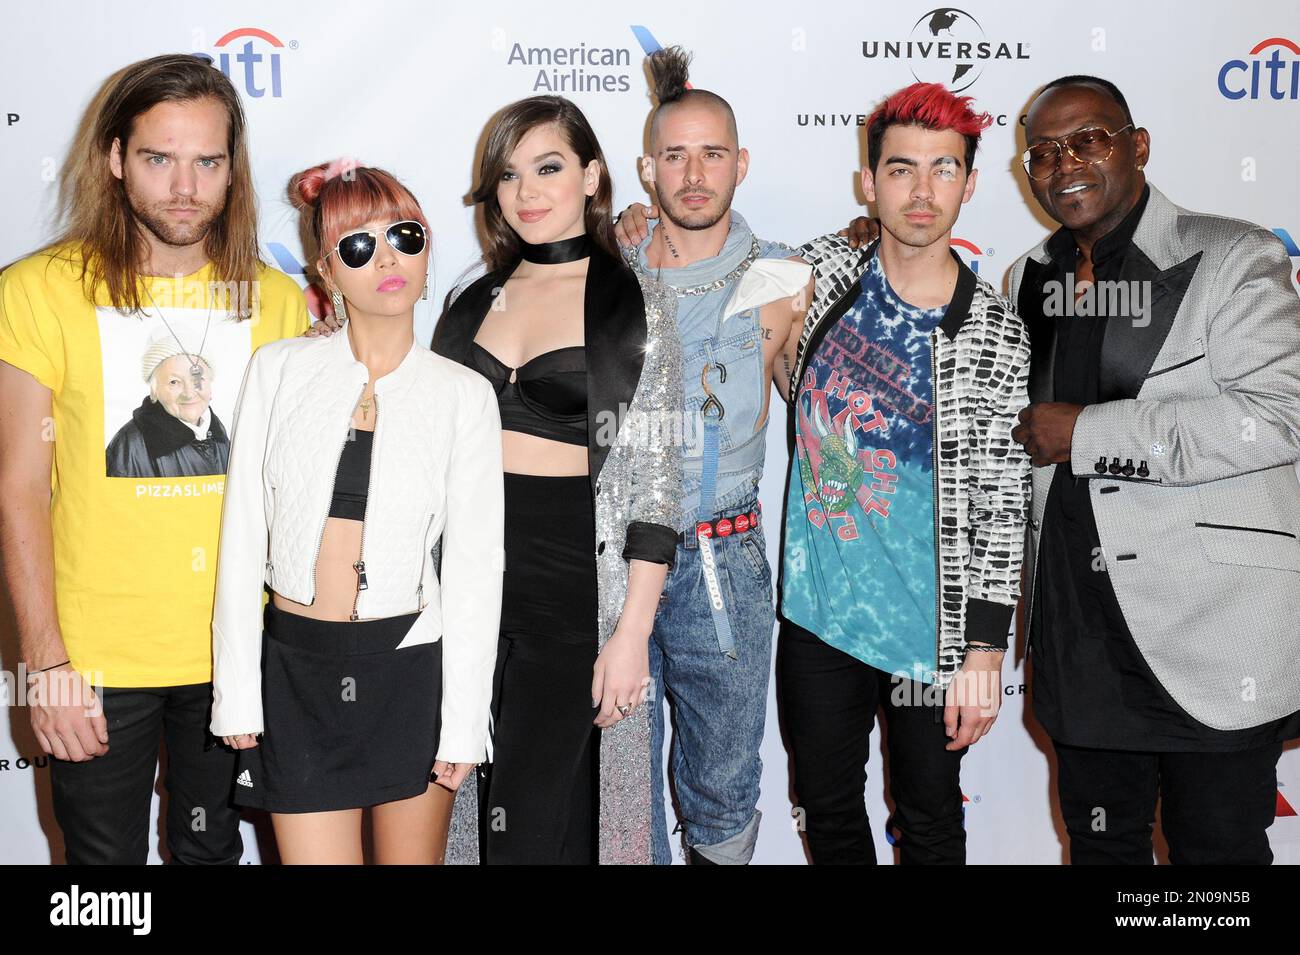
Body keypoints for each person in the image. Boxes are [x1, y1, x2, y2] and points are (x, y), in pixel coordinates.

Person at [0, 54, 308, 864]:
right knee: (102, 879)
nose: (184, 185)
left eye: (207, 161)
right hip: (91, 659)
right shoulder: (38, 290)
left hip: (237, 653)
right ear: (114, 158)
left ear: (232, 170)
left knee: (211, 856)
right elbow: (19, 485)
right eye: (158, 158)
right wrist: (45, 664)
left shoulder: (274, 300)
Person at [1008, 75, 1300, 864]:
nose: (1064, 162)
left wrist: (1090, 433)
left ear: (1137, 147)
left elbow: (1277, 416)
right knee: (1102, 849)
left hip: (1209, 626)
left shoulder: (1234, 254)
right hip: (1079, 630)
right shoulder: (1027, 277)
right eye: (1043, 151)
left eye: (1089, 139)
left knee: (1218, 857)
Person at [210, 161, 502, 865]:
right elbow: (243, 536)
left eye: (404, 235)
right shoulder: (278, 369)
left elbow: (474, 572)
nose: (388, 258)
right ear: (327, 271)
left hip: (409, 671)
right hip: (297, 671)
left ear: (429, 249)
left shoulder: (463, 395)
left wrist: (463, 723)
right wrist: (238, 693)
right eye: (358, 245)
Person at [780, 82, 1030, 864]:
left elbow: (1002, 498)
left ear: (969, 183)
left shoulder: (993, 332)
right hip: (820, 615)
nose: (922, 192)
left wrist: (985, 652)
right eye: (900, 169)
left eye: (943, 169)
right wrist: (635, 221)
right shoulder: (820, 271)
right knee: (826, 808)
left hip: (934, 631)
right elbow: (710, 261)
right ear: (869, 183)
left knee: (928, 819)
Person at [431, 95, 682, 864]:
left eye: (549, 167)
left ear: (592, 175)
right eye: (509, 175)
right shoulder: (468, 301)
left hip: (576, 595)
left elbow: (659, 487)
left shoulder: (634, 302)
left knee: (523, 825)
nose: (528, 191)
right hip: (471, 593)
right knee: (525, 819)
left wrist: (632, 630)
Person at [608, 47, 813, 865]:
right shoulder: (604, 270)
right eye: (676, 156)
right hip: (615, 559)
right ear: (646, 168)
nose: (695, 174)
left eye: (714, 154)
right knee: (622, 780)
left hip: (724, 555)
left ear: (743, 163)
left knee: (723, 783)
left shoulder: (784, 277)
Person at [105, 343, 228, 477]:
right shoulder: (130, 446)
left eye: (198, 379)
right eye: (174, 382)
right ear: (154, 391)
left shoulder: (219, 435)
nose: (189, 393)